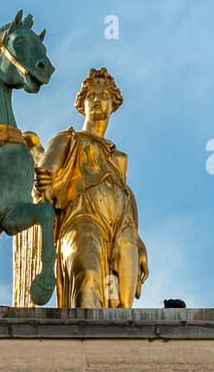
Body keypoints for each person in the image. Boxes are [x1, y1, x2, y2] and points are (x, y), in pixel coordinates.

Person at [34, 68, 147, 307]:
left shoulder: (119, 158)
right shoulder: (67, 140)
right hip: (82, 220)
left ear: (113, 104)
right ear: (82, 104)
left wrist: (138, 240)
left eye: (104, 95)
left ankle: (121, 345)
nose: (97, 99)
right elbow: (43, 179)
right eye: (91, 95)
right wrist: (42, 182)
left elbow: (126, 194)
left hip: (122, 226)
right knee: (88, 277)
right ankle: (84, 343)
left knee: (121, 305)